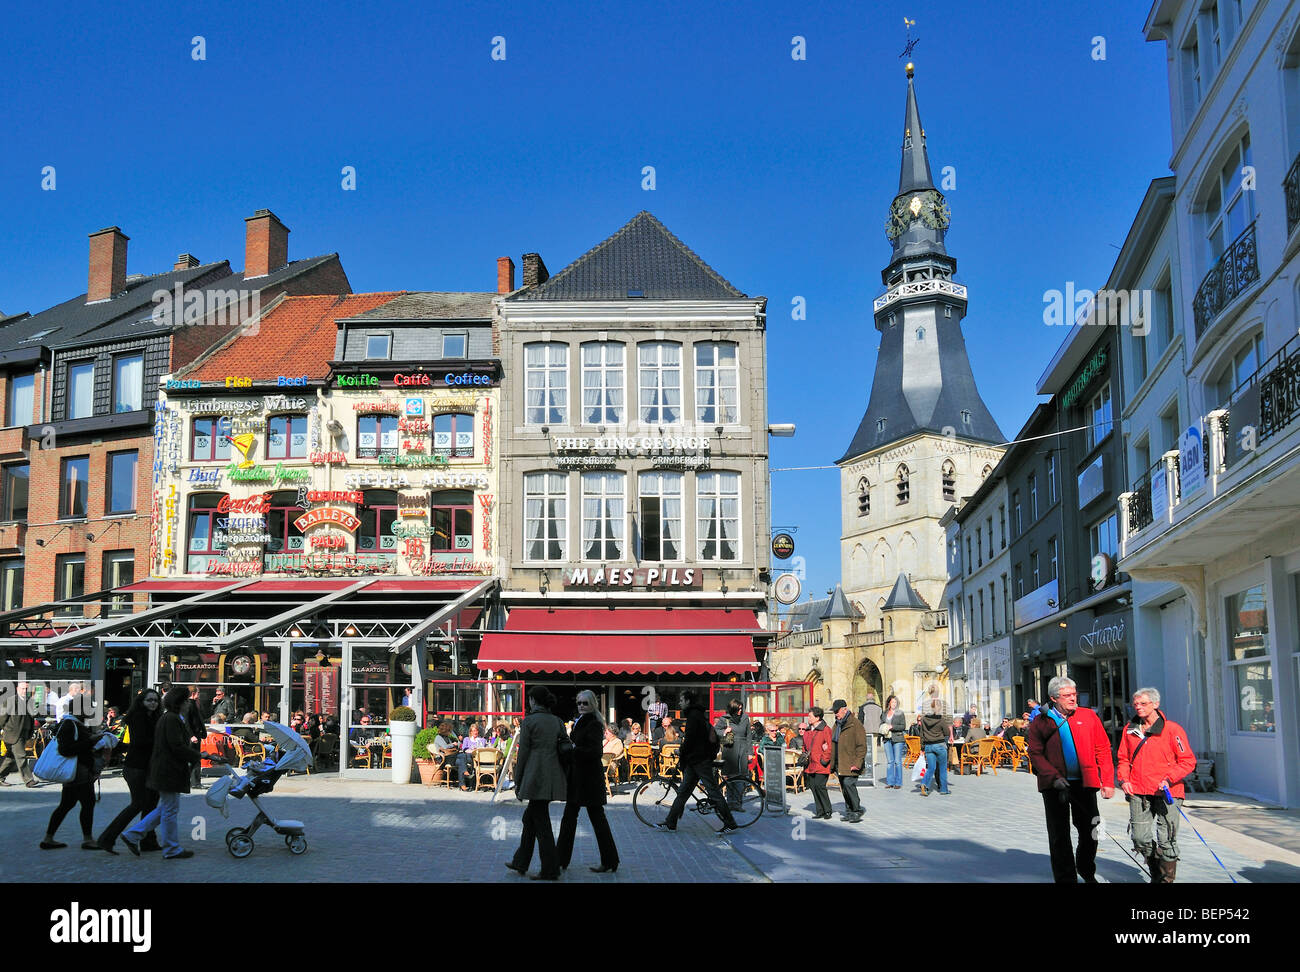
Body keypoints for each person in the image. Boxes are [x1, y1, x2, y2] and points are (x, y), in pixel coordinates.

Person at [1027, 676, 1115, 884]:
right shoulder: (1041, 721)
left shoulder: (1088, 716)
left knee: (1092, 829)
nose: (1073, 699)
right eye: (1067, 696)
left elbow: (1103, 748)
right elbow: (1036, 754)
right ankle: (1065, 878)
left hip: (1085, 783)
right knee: (1059, 834)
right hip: (1055, 785)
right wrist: (1053, 777)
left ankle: (1086, 869)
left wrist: (1108, 781)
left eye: (1074, 694)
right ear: (1053, 698)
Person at [1117, 687, 1196, 884]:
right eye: (1135, 704)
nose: (1138, 707)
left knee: (1167, 840)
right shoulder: (1130, 729)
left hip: (1167, 791)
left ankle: (1164, 880)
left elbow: (1187, 761)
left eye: (1143, 704)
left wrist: (1169, 778)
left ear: (1155, 704)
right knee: (1140, 838)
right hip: (1138, 790)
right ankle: (1156, 873)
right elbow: (1123, 759)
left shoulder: (1172, 729)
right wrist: (1124, 779)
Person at [121, 685, 202, 860]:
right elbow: (176, 746)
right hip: (168, 770)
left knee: (167, 807)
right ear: (180, 702)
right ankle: (171, 848)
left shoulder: (169, 717)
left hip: (165, 769)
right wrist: (197, 755)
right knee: (170, 810)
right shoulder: (171, 719)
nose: (188, 704)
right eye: (186, 701)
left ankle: (133, 834)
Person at [40, 683, 112, 850]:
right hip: (78, 772)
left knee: (67, 804)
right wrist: (91, 741)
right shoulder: (70, 725)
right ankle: (87, 839)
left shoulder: (73, 724)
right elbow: (66, 749)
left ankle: (49, 838)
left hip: (77, 771)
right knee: (87, 804)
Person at [506, 686, 568, 880]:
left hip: (535, 775)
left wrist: (518, 779)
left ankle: (550, 868)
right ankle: (521, 862)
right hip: (552, 775)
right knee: (530, 819)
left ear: (533, 700)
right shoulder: (557, 721)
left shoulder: (530, 721)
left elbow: (522, 753)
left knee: (541, 823)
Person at [557, 690, 619, 873]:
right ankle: (563, 860)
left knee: (588, 819)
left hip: (587, 779)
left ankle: (562, 860)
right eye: (579, 703)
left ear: (592, 704)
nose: (581, 706)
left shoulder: (592, 723)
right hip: (582, 778)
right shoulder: (586, 721)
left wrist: (572, 750)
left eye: (585, 703)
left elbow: (594, 752)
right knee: (575, 819)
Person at [659, 690, 738, 833]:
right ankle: (670, 822)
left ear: (688, 701)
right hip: (695, 760)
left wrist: (681, 750)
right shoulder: (697, 715)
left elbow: (690, 740)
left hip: (699, 760)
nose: (679, 702)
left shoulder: (693, 717)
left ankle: (730, 822)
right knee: (683, 792)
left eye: (682, 700)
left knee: (713, 792)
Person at [97, 689, 163, 854]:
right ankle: (107, 838)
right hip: (136, 767)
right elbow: (141, 742)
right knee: (139, 803)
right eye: (149, 700)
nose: (153, 703)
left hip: (147, 766)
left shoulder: (154, 717)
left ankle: (148, 841)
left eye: (155, 700)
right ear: (141, 701)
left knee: (151, 803)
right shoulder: (137, 717)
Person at [831, 700, 867, 822]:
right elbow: (834, 744)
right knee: (844, 787)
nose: (835, 714)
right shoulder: (837, 725)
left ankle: (856, 810)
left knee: (848, 784)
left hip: (851, 763)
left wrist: (857, 763)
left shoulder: (855, 724)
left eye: (837, 711)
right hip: (840, 763)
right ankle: (850, 811)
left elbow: (862, 746)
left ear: (844, 710)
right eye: (834, 712)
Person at [0, 680, 37, 787]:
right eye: (22, 688)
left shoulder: (29, 701)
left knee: (10, 758)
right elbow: (2, 718)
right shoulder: (10, 701)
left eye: (26, 689)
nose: (25, 691)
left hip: (24, 734)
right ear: (17, 689)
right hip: (13, 734)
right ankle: (29, 780)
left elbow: (30, 718)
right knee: (21, 756)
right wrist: (3, 729)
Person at [918, 700, 952, 797]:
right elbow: (947, 733)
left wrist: (922, 748)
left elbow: (922, 734)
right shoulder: (941, 719)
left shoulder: (923, 719)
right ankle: (943, 789)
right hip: (939, 745)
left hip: (928, 746)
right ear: (940, 708)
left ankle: (924, 783)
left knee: (931, 768)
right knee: (942, 768)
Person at [882, 694, 907, 789]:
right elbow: (881, 723)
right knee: (890, 761)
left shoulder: (900, 713)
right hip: (887, 738)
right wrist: (883, 728)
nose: (894, 704)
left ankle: (898, 782)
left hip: (898, 738)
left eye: (895, 702)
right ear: (889, 703)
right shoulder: (884, 713)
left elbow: (903, 726)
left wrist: (892, 727)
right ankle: (890, 782)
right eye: (892, 702)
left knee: (897, 761)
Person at [457, 722, 490, 790]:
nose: (475, 732)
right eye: (474, 731)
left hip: (479, 758)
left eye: (476, 730)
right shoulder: (467, 739)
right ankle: (465, 775)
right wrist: (472, 750)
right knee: (463, 757)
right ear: (471, 732)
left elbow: (484, 749)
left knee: (461, 760)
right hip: (469, 758)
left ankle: (463, 783)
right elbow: (464, 749)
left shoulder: (482, 740)